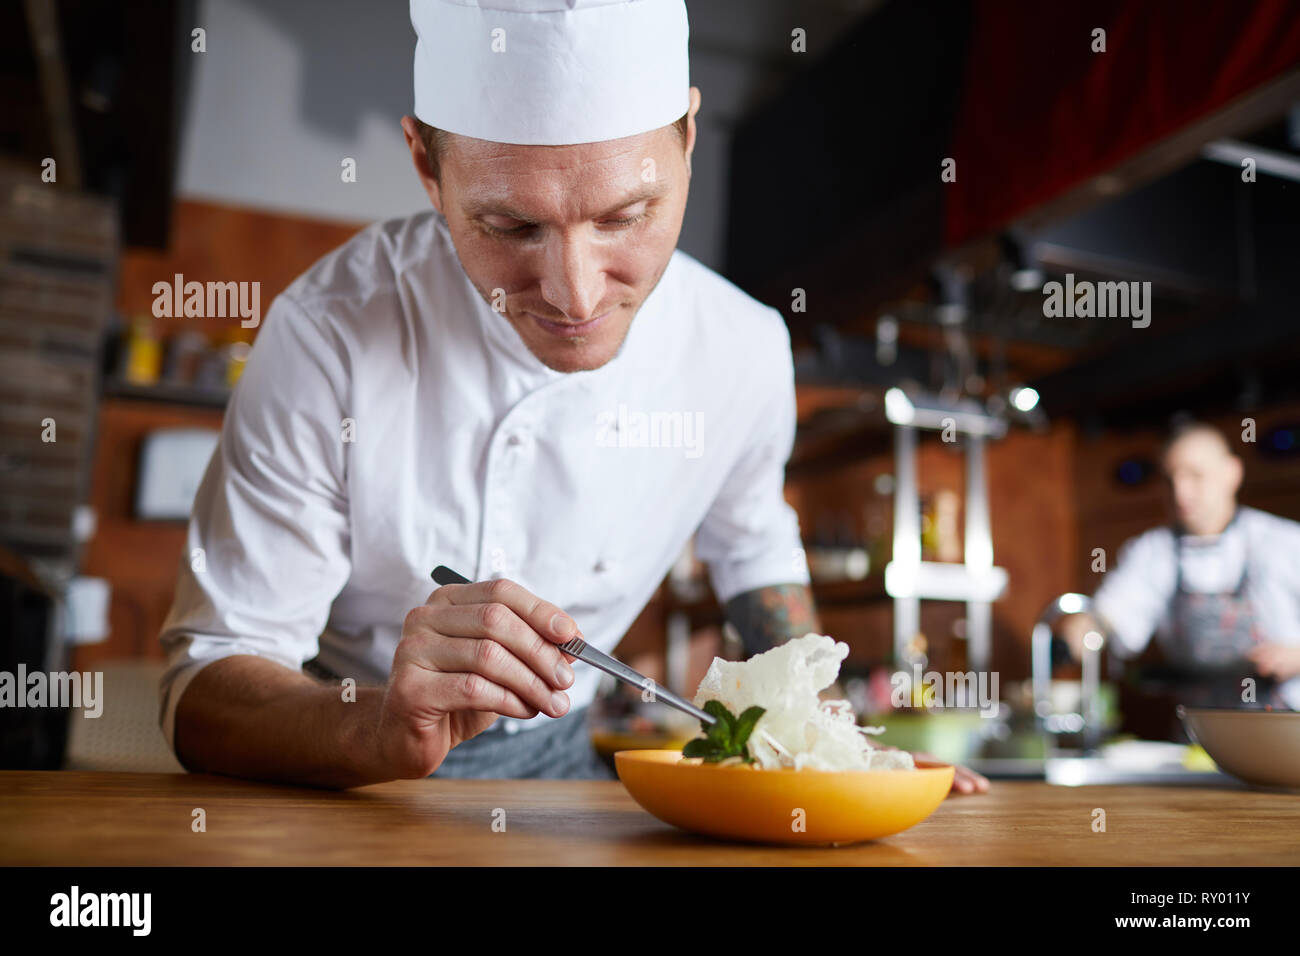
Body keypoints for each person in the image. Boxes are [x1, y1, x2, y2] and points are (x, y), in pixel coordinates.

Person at [158, 0, 988, 793]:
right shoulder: (328, 332)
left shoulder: (742, 348)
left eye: (626, 216)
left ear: (690, 140)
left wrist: (840, 756)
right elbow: (202, 691)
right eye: (511, 228)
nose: (575, 294)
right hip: (329, 759)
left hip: (565, 761)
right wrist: (374, 729)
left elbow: (755, 549)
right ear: (425, 167)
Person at [1061, 419, 1300, 712]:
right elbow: (1113, 613)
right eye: (1170, 479)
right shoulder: (1152, 551)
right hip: (1198, 729)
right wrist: (1086, 629)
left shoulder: (1285, 542)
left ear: (1232, 473)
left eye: (1196, 476)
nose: (1180, 493)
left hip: (1284, 723)